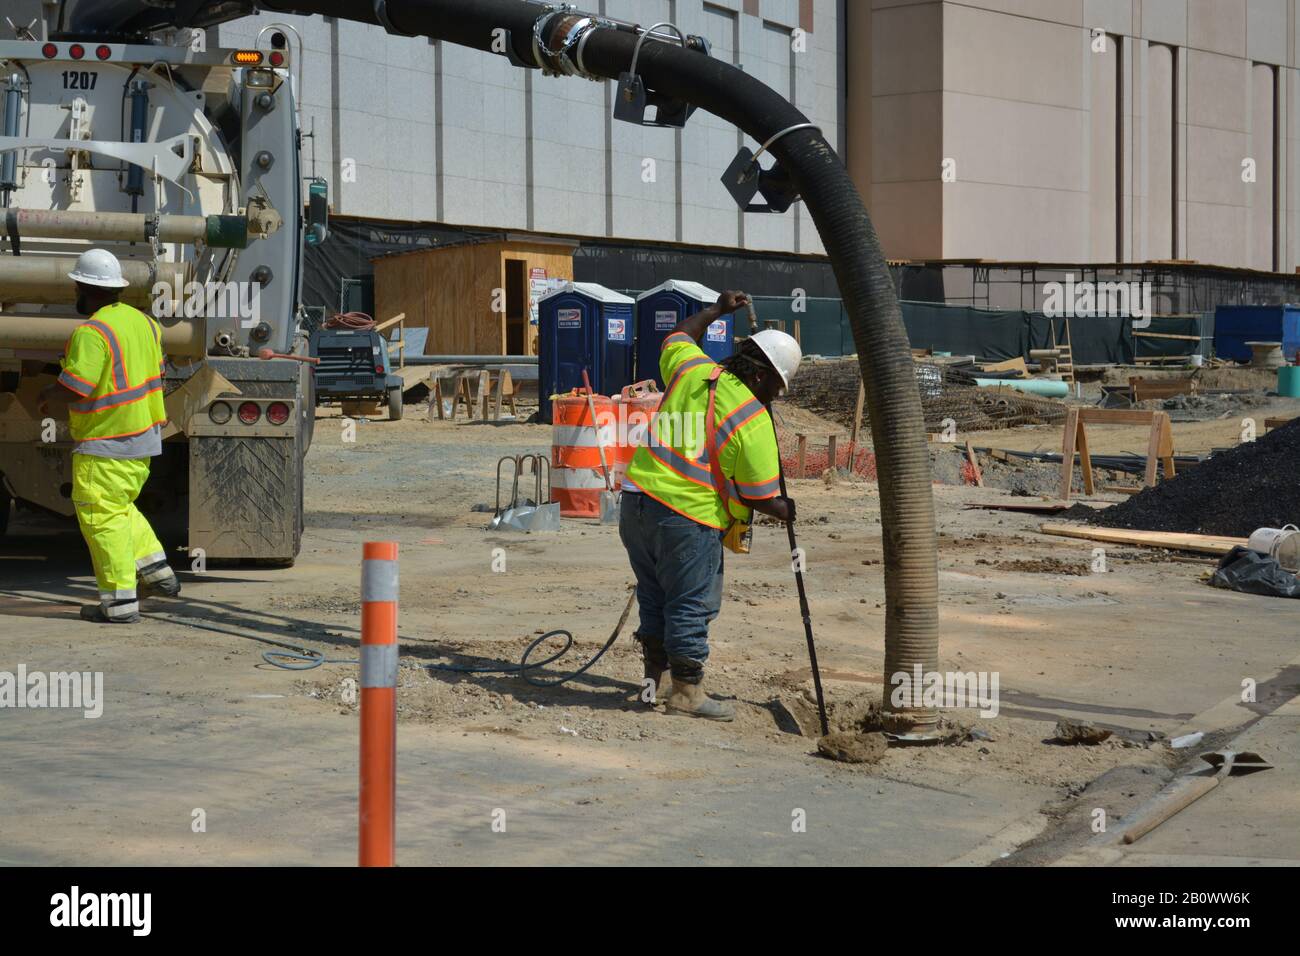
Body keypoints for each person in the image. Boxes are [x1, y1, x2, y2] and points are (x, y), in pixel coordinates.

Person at [620, 291, 801, 720]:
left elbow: (679, 335)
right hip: (688, 519)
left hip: (635, 506)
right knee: (689, 604)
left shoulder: (690, 369)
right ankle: (685, 693)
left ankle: (654, 683)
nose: (776, 396)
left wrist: (716, 312)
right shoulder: (751, 418)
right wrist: (784, 509)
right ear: (763, 378)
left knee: (654, 596)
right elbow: (759, 494)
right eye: (777, 387)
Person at [38, 248, 180, 623]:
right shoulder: (145, 323)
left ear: (83, 289)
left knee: (101, 518)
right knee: (118, 507)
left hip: (106, 441)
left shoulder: (92, 332)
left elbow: (77, 387)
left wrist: (47, 396)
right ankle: (156, 570)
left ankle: (118, 604)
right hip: (144, 438)